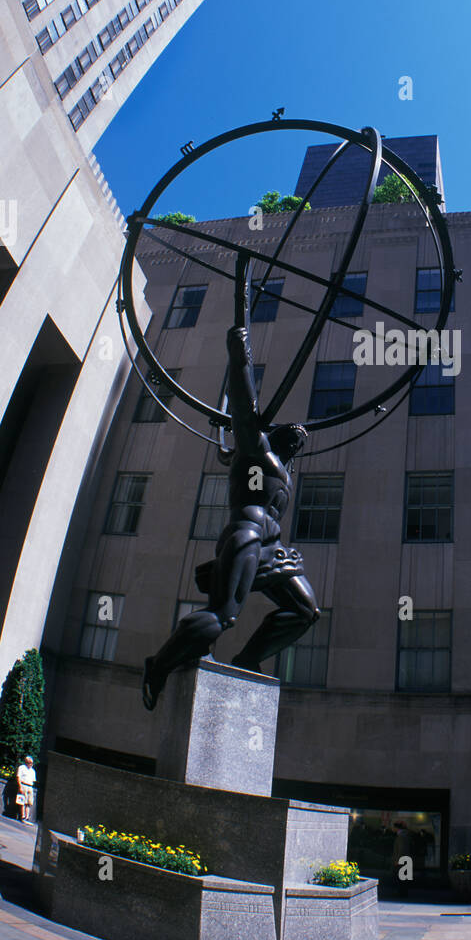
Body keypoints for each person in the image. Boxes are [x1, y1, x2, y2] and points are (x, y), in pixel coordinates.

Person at [142, 261, 319, 708]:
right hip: (245, 535)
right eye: (293, 431)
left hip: (272, 547)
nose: (300, 434)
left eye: (303, 437)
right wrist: (239, 353)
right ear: (276, 434)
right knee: (225, 614)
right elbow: (244, 404)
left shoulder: (279, 466)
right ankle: (159, 664)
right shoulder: (256, 449)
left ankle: (245, 661)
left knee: (304, 611)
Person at [15, 756, 37, 823]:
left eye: (32, 763)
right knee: (23, 802)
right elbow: (18, 777)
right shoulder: (22, 768)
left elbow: (33, 780)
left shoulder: (32, 771)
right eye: (30, 763)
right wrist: (20, 787)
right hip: (23, 785)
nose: (31, 764)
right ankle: (22, 816)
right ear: (26, 762)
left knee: (29, 803)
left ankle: (27, 817)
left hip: (30, 787)